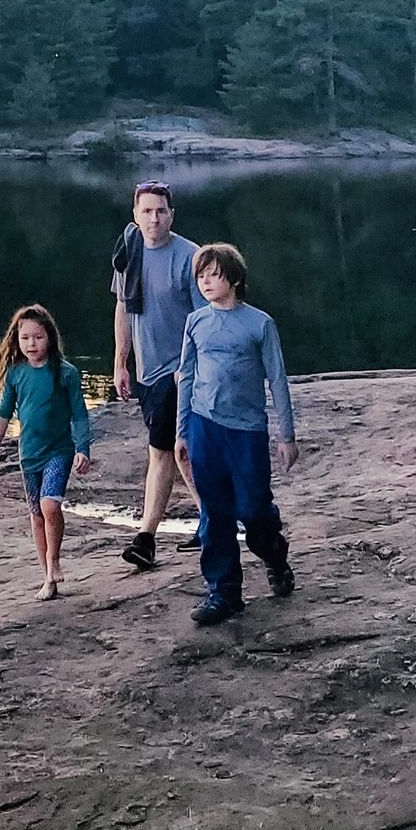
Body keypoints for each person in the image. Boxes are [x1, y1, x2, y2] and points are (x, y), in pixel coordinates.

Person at [174, 243, 297, 628]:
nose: (207, 282)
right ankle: (223, 592)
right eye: (201, 276)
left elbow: (277, 379)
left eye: (214, 275)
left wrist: (287, 435)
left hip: (246, 433)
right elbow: (186, 376)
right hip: (204, 426)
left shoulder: (259, 324)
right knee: (215, 511)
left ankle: (275, 554)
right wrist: (182, 432)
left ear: (234, 278)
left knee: (253, 511)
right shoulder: (196, 322)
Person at [110, 179, 206, 570]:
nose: (154, 219)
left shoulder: (191, 257)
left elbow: (206, 318)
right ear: (135, 214)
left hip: (179, 371)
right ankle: (213, 520)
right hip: (146, 372)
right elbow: (122, 307)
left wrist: (190, 369)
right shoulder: (129, 251)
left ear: (172, 215)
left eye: (161, 211)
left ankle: (145, 538)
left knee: (161, 451)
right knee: (181, 452)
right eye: (147, 211)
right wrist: (120, 361)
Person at [0, 302, 92, 600]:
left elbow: (80, 415)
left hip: (59, 451)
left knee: (50, 505)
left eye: (38, 337)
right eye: (25, 338)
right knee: (36, 515)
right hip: (29, 454)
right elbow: (3, 416)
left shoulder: (66, 373)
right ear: (17, 340)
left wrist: (82, 448)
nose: (32, 344)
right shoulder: (16, 374)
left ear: (50, 338)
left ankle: (54, 561)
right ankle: (47, 578)